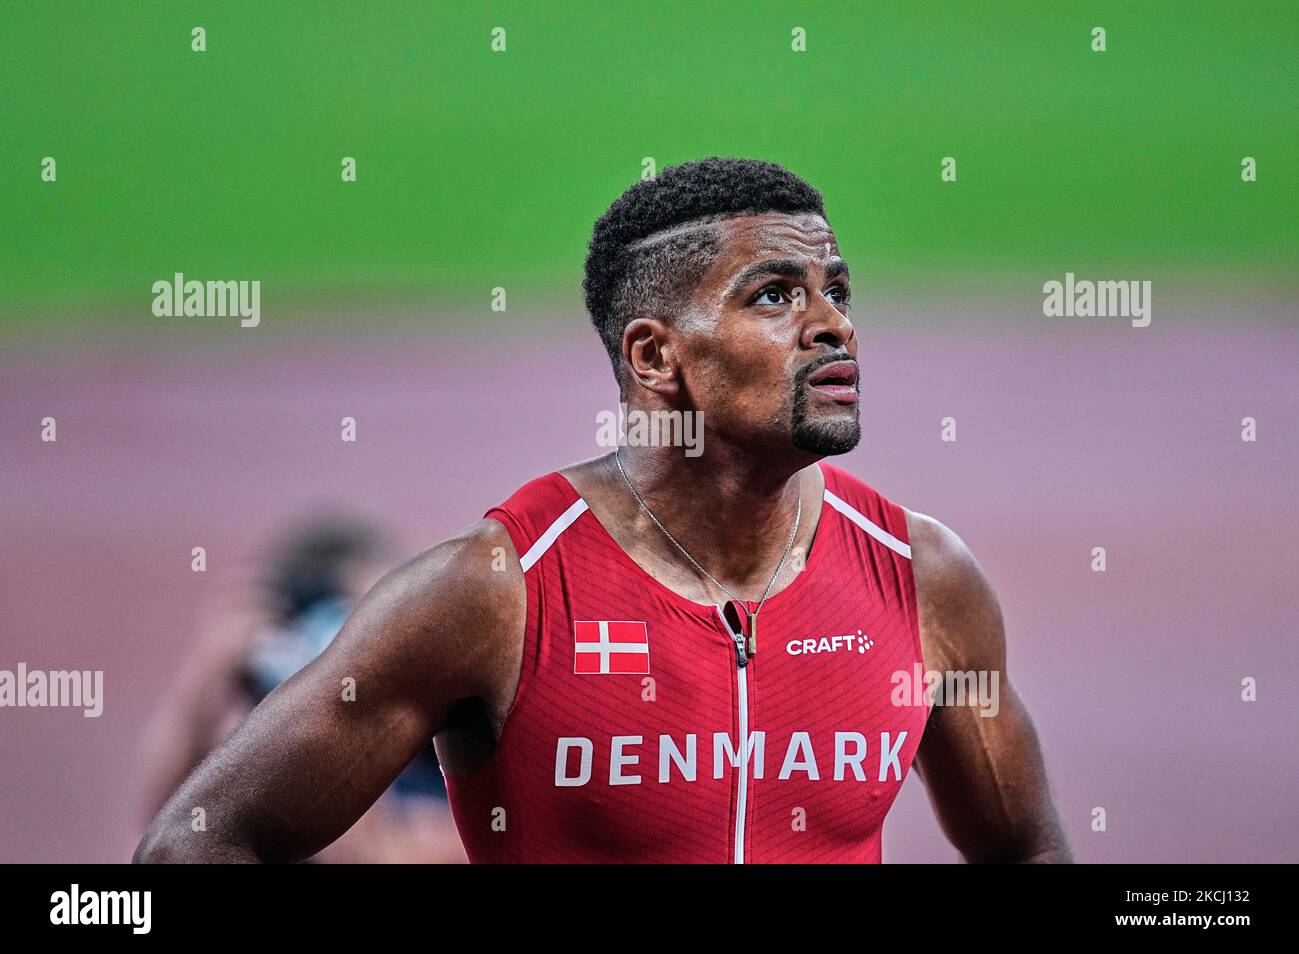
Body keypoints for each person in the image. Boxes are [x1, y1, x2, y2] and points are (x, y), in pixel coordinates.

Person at [137, 157, 1070, 863]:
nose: (833, 325)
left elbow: (1024, 849)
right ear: (656, 358)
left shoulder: (922, 579)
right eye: (778, 295)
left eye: (839, 291)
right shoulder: (494, 595)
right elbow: (197, 842)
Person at [135, 515, 465, 863]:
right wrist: (208, 677)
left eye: (357, 620)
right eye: (319, 621)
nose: (334, 641)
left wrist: (337, 697)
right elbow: (165, 829)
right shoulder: (273, 747)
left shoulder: (446, 759)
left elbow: (365, 858)